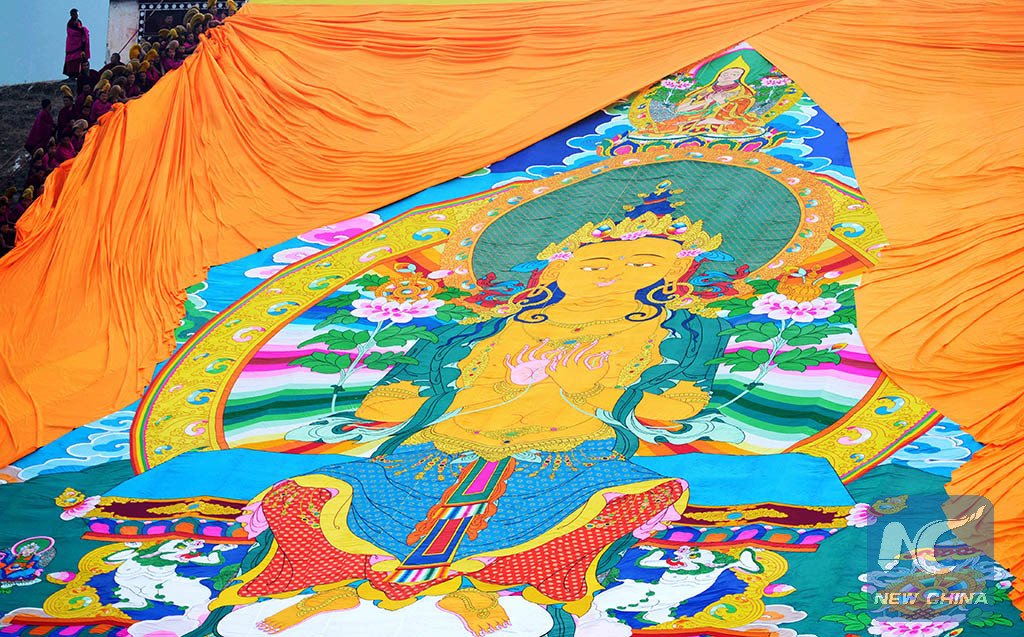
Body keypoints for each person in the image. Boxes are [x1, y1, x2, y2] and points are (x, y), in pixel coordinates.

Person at [63, 9, 90, 79]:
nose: (76, 15)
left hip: (79, 43)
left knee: (79, 58)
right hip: (72, 43)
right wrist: (82, 30)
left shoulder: (79, 22)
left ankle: (79, 73)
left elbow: (80, 30)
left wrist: (83, 31)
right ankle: (71, 74)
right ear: (71, 15)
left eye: (77, 14)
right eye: (74, 14)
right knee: (71, 58)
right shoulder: (70, 23)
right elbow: (71, 32)